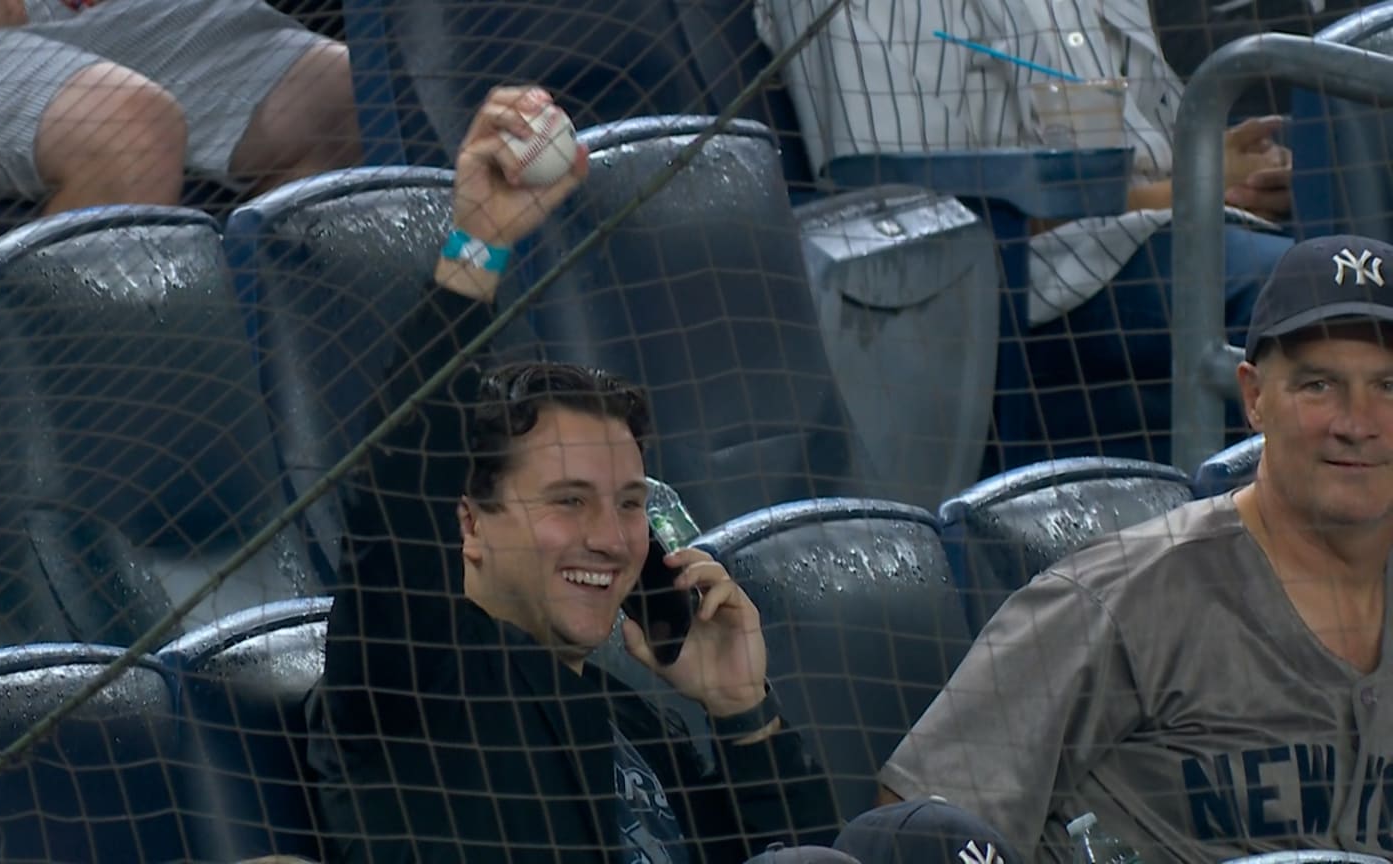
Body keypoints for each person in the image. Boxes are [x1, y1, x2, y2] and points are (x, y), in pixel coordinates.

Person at [304, 85, 839, 863]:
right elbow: (396, 493)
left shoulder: (642, 725)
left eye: (629, 504)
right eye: (569, 501)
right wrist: (477, 245)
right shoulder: (414, 676)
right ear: (468, 523)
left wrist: (740, 711)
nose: (611, 540)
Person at [875, 234, 1393, 861]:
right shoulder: (1122, 597)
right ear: (1254, 398)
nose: (1358, 422)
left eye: (1388, 386)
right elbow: (916, 831)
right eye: (1318, 385)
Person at [755, 0, 1296, 464]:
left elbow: (1147, 126)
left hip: (1183, 216)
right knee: (1295, 301)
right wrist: (1194, 184)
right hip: (1037, 275)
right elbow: (908, 208)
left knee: (1352, 256)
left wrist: (1238, 167)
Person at [0, 0, 360, 213]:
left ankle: (271, 386)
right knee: (129, 131)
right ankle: (86, 418)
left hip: (107, 13)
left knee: (343, 94)